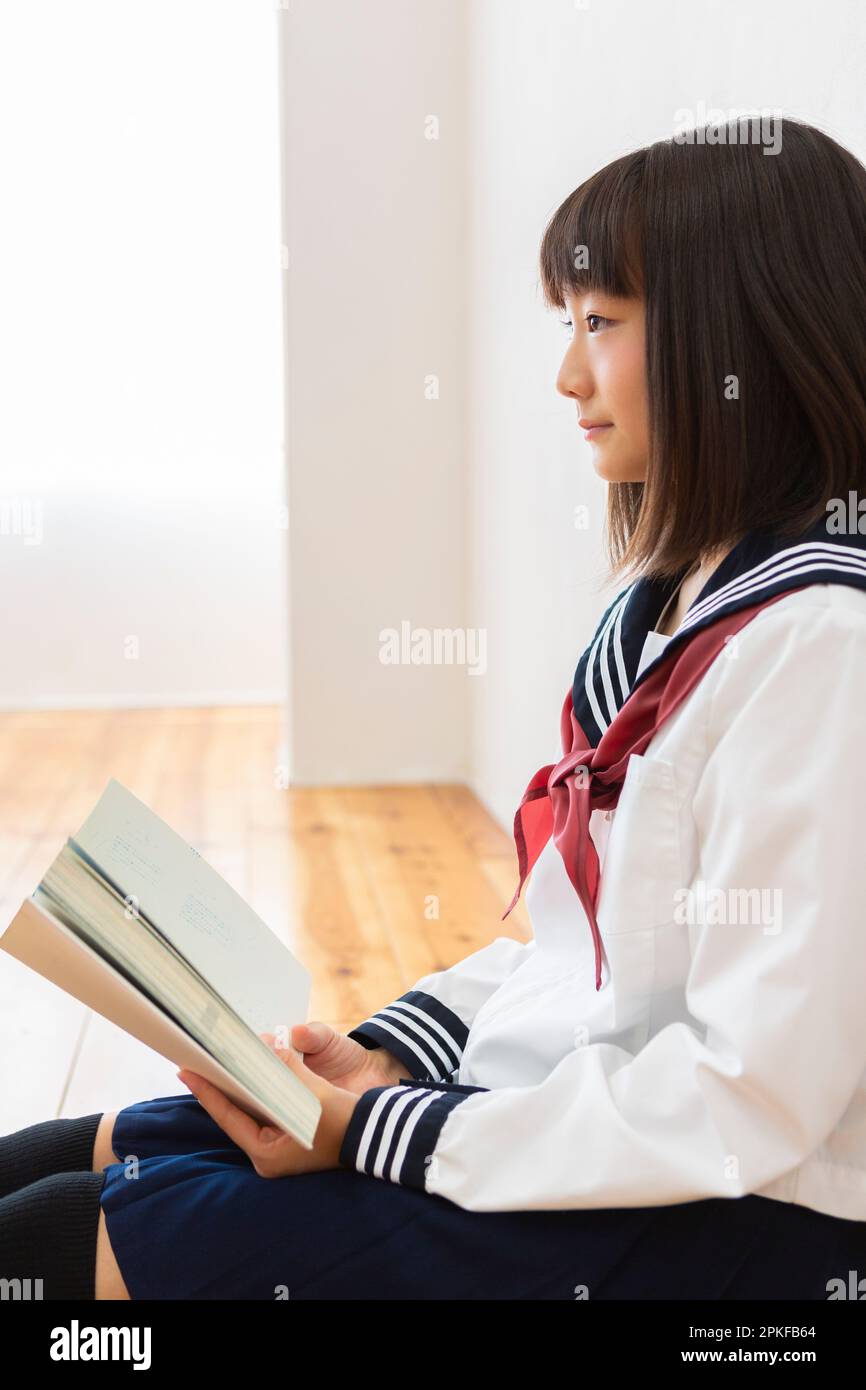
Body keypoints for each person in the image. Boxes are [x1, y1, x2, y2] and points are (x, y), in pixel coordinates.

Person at [4, 113, 866, 1301]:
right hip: (588, 1125)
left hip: (733, 1218)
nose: (567, 374)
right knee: (66, 1159)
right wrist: (382, 1058)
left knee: (62, 1239)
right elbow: (573, 958)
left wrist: (374, 1132)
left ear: (738, 346)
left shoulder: (823, 648)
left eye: (600, 326)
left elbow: (747, 1097)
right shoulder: (674, 606)